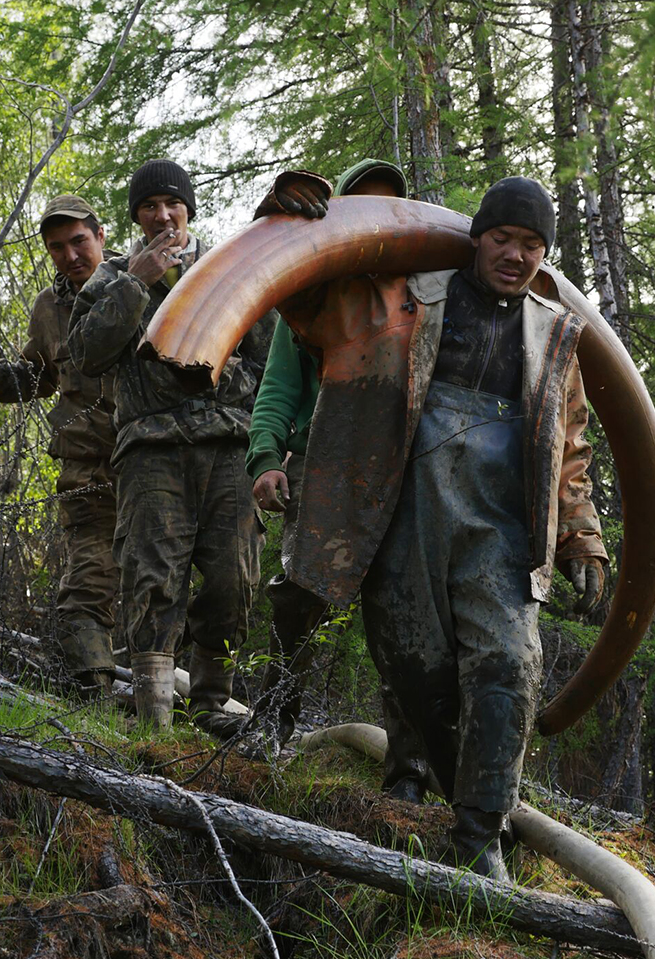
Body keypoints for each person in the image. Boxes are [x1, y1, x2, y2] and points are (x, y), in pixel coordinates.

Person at [260, 172, 608, 881]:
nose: (515, 255)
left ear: (545, 255)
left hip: (501, 528)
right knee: (420, 675)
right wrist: (284, 220)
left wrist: (580, 535)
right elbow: (303, 298)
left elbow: (569, 451)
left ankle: (481, 839)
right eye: (503, 238)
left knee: (511, 663)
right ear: (477, 238)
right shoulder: (405, 298)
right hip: (403, 509)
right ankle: (448, 801)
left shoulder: (556, 336)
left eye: (532, 244)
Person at [246, 158, 431, 801]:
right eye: (362, 206)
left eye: (390, 206)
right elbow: (276, 391)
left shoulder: (429, 294)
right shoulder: (316, 296)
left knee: (404, 621)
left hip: (407, 482)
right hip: (325, 470)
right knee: (298, 601)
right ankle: (268, 732)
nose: (377, 219)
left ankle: (407, 774)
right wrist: (267, 460)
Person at [69, 159, 266, 735]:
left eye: (171, 205)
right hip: (150, 450)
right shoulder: (110, 278)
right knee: (152, 577)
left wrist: (208, 376)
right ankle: (154, 719)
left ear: (189, 209)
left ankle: (211, 702)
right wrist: (138, 281)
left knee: (234, 577)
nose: (161, 216)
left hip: (230, 447)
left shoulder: (227, 268)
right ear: (134, 215)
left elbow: (270, 361)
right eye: (148, 206)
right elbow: (87, 355)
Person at [0, 195, 120, 700]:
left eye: (79, 241)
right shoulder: (48, 308)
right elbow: (37, 378)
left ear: (100, 235)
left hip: (155, 465)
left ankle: (185, 711)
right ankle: (96, 708)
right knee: (84, 595)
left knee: (165, 593)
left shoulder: (138, 285)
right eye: (57, 248)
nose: (70, 255)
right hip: (88, 476)